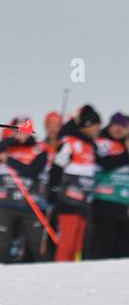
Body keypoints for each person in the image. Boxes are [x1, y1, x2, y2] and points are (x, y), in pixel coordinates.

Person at [0, 118, 50, 264]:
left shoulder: (39, 149)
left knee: (34, 246)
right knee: (3, 247)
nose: (22, 134)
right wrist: (12, 139)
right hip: (5, 206)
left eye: (25, 131)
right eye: (19, 131)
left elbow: (32, 172)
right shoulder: (7, 147)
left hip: (30, 207)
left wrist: (9, 160)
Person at [49, 105, 113, 262]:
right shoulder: (70, 142)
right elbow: (56, 167)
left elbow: (105, 163)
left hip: (85, 201)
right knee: (68, 242)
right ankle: (61, 274)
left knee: (79, 244)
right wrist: (53, 190)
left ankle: (73, 275)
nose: (99, 129)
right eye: (96, 125)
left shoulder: (91, 145)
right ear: (87, 125)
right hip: (68, 201)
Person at [88, 113, 129, 259]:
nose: (118, 129)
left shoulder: (125, 144)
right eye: (115, 125)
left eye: (123, 126)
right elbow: (104, 163)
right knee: (103, 244)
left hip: (124, 204)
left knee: (123, 247)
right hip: (103, 200)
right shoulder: (101, 141)